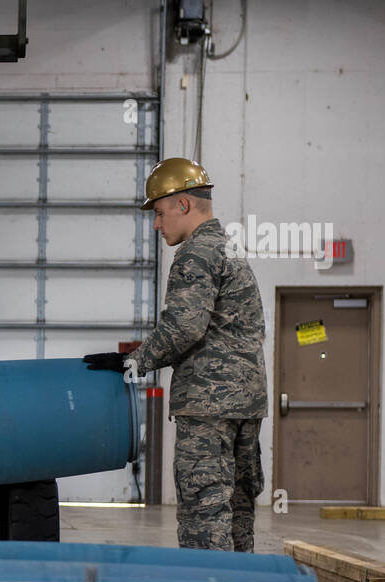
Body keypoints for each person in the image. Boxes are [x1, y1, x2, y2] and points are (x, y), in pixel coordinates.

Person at [82, 157, 268, 552]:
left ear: (184, 205)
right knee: (237, 507)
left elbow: (185, 327)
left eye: (161, 212)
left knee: (204, 511)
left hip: (207, 405)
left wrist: (133, 362)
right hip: (245, 403)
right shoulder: (230, 249)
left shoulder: (196, 254)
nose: (156, 224)